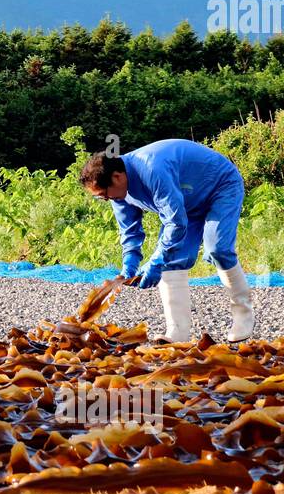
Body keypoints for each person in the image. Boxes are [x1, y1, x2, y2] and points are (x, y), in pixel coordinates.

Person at [80, 139, 254, 344]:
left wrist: (155, 262)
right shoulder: (119, 194)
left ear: (117, 177)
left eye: (104, 195)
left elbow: (176, 222)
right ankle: (177, 331)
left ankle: (243, 313)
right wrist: (130, 264)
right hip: (186, 203)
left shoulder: (152, 169)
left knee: (217, 248)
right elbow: (130, 232)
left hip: (220, 186)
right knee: (173, 260)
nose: (106, 200)